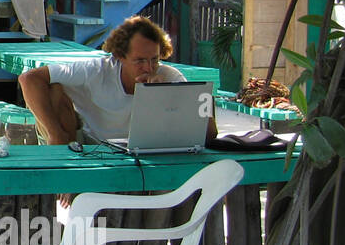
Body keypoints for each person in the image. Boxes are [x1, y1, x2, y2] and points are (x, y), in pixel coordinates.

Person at [18, 15, 216, 148]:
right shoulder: (97, 70)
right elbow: (29, 79)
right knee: (53, 91)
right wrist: (56, 134)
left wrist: (162, 97)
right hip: (91, 145)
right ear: (119, 56)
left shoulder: (168, 76)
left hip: (141, 152)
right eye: (139, 61)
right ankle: (66, 178)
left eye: (154, 59)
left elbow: (208, 133)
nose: (148, 68)